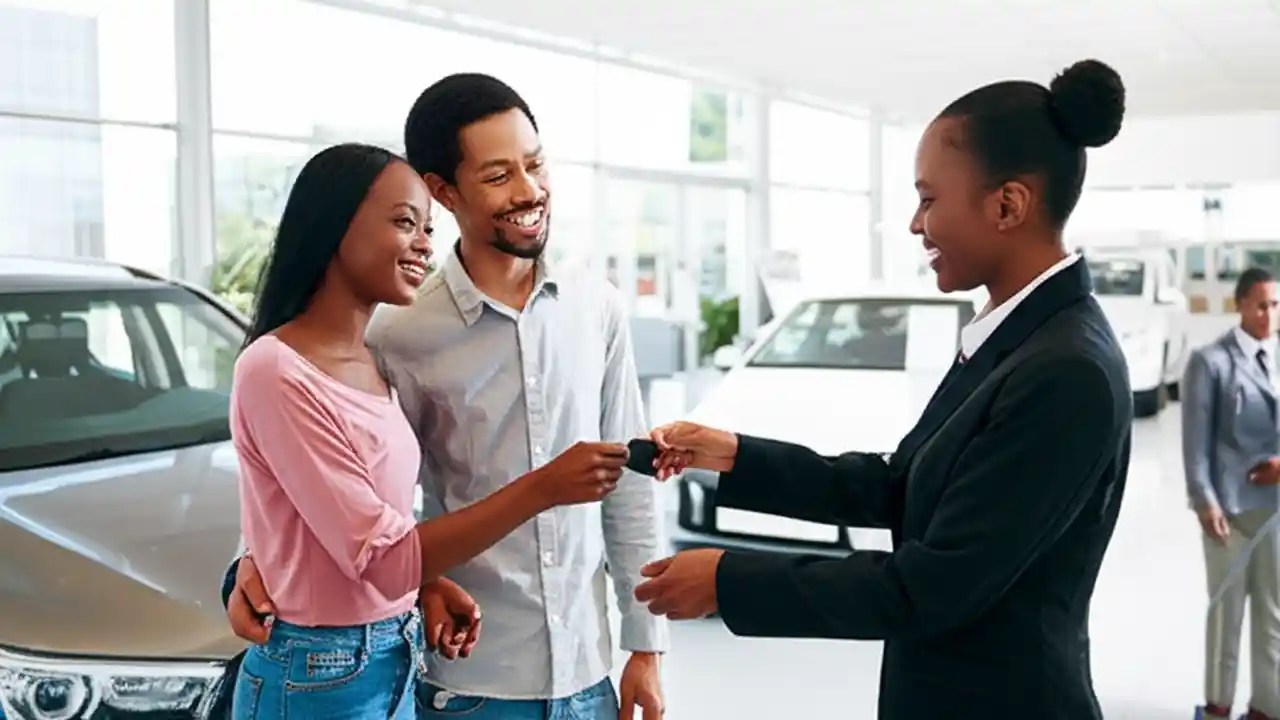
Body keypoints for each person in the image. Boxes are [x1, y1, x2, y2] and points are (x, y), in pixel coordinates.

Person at [634, 59, 1133, 719]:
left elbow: (932, 587)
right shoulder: (1016, 338)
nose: (915, 224)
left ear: (1007, 204)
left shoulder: (1067, 371)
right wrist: (732, 453)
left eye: (929, 198)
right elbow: (903, 484)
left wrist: (728, 581)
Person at [226, 74, 669, 720]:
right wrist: (250, 557)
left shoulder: (595, 308)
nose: (529, 191)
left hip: (587, 672)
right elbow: (321, 476)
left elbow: (631, 487)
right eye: (498, 176)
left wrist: (646, 645)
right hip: (465, 681)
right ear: (444, 190)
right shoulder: (396, 331)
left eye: (535, 165)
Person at [1183, 267, 1280, 720]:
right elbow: (1195, 440)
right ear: (1240, 304)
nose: (1269, 314)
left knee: (1273, 616)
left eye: (1275, 305)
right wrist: (1204, 500)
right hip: (1229, 513)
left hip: (1275, 512)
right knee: (1226, 615)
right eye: (1261, 304)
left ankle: (1266, 707)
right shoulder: (1211, 362)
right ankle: (1218, 707)